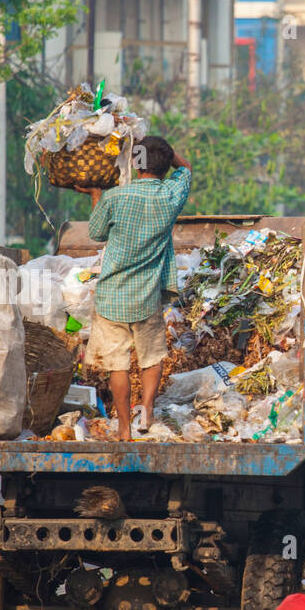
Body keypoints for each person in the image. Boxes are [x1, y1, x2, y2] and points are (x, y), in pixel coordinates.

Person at [79, 136, 192, 441]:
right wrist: (170, 157)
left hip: (112, 297)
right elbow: (186, 169)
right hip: (147, 296)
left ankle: (125, 428)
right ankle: (147, 411)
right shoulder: (170, 196)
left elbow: (95, 232)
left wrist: (95, 195)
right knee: (150, 358)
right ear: (165, 165)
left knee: (118, 365)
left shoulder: (115, 198)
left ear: (136, 164)